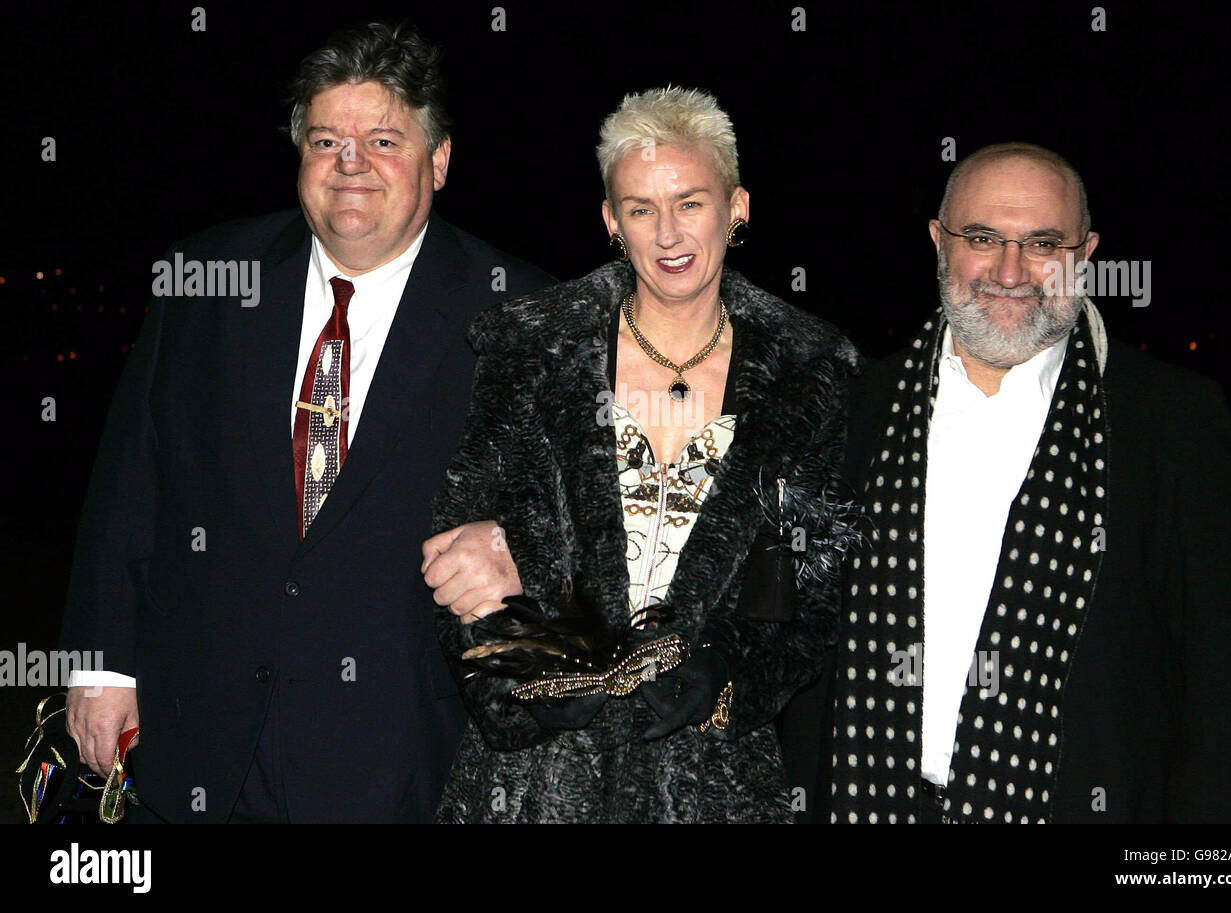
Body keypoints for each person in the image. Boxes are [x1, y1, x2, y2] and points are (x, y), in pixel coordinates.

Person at [57, 22, 553, 823]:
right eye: (326, 139)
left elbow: (587, 524)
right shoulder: (207, 283)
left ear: (441, 159)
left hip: (402, 760)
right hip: (195, 743)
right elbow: (130, 484)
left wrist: (518, 549)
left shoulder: (525, 314)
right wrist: (100, 666)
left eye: (384, 139)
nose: (351, 163)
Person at [782, 142, 1231, 823]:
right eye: (982, 237)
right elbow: (788, 634)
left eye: (1043, 242)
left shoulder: (1170, 420)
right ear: (939, 241)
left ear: (1086, 253)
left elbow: (1229, 674)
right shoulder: (853, 406)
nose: (1010, 271)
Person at [420, 86, 860, 822]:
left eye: (690, 202)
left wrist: (724, 671)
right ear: (610, 221)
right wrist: (527, 678)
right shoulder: (532, 346)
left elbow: (813, 591)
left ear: (737, 206)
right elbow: (458, 552)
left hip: (712, 784)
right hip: (533, 786)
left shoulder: (809, 369)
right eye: (640, 208)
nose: (667, 233)